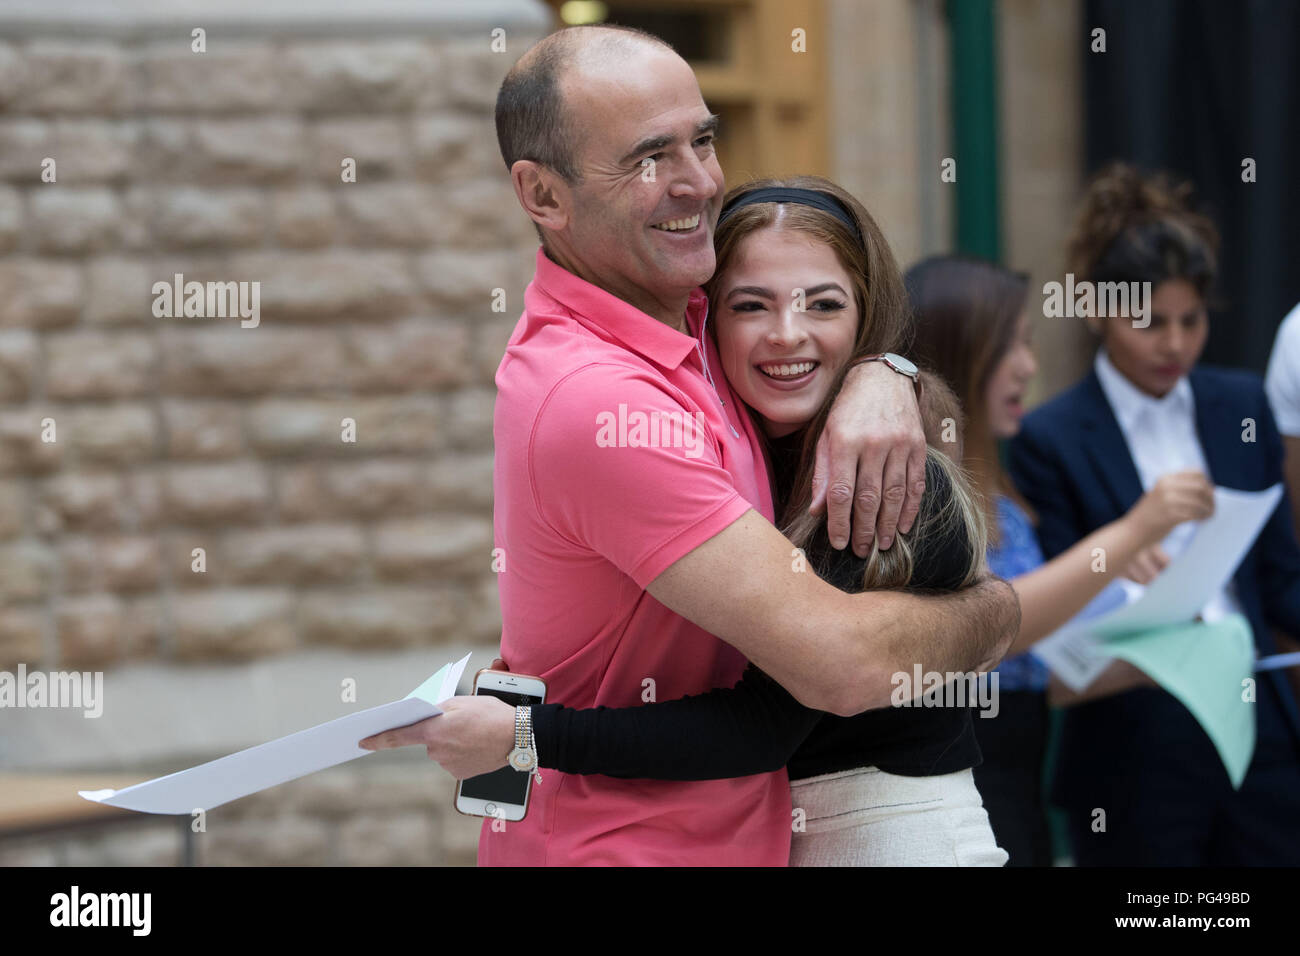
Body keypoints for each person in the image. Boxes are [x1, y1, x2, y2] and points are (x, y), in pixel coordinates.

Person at [359, 25, 1019, 866]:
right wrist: (997, 613)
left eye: (702, 140)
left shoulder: (691, 323)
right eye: (649, 158)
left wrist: (885, 372)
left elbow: (810, 334)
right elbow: (836, 667)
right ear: (544, 195)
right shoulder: (601, 398)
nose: (700, 181)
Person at [1008, 162, 1300, 865]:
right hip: (1133, 737)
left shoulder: (1240, 405)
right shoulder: (1050, 435)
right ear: (1098, 310)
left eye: (1190, 321)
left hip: (1255, 718)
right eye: (1148, 322)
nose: (1173, 344)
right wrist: (1124, 547)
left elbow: (1278, 575)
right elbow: (1053, 607)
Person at [905, 254, 1212, 866]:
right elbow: (987, 627)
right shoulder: (919, 493)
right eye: (1011, 346)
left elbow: (1031, 676)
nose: (1029, 366)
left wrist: (1167, 656)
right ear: (957, 355)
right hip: (959, 784)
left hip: (1018, 783)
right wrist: (1130, 534)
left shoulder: (1003, 494)